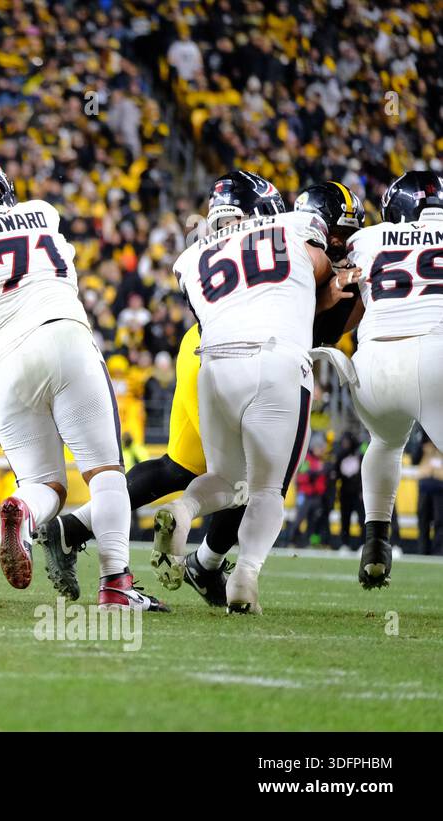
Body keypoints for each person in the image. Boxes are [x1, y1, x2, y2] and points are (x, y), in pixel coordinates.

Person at [0, 157, 167, 611]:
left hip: (3, 362)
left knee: (43, 483)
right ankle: (116, 584)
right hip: (64, 334)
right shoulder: (43, 212)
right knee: (106, 473)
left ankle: (24, 510)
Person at [151, 171, 354, 613]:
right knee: (265, 489)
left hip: (214, 364)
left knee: (227, 480)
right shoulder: (297, 225)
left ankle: (183, 513)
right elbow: (321, 275)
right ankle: (244, 578)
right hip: (275, 358)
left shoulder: (191, 256)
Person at [344, 171, 443, 579]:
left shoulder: (366, 239)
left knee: (383, 442)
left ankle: (376, 540)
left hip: (371, 363)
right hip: (434, 352)